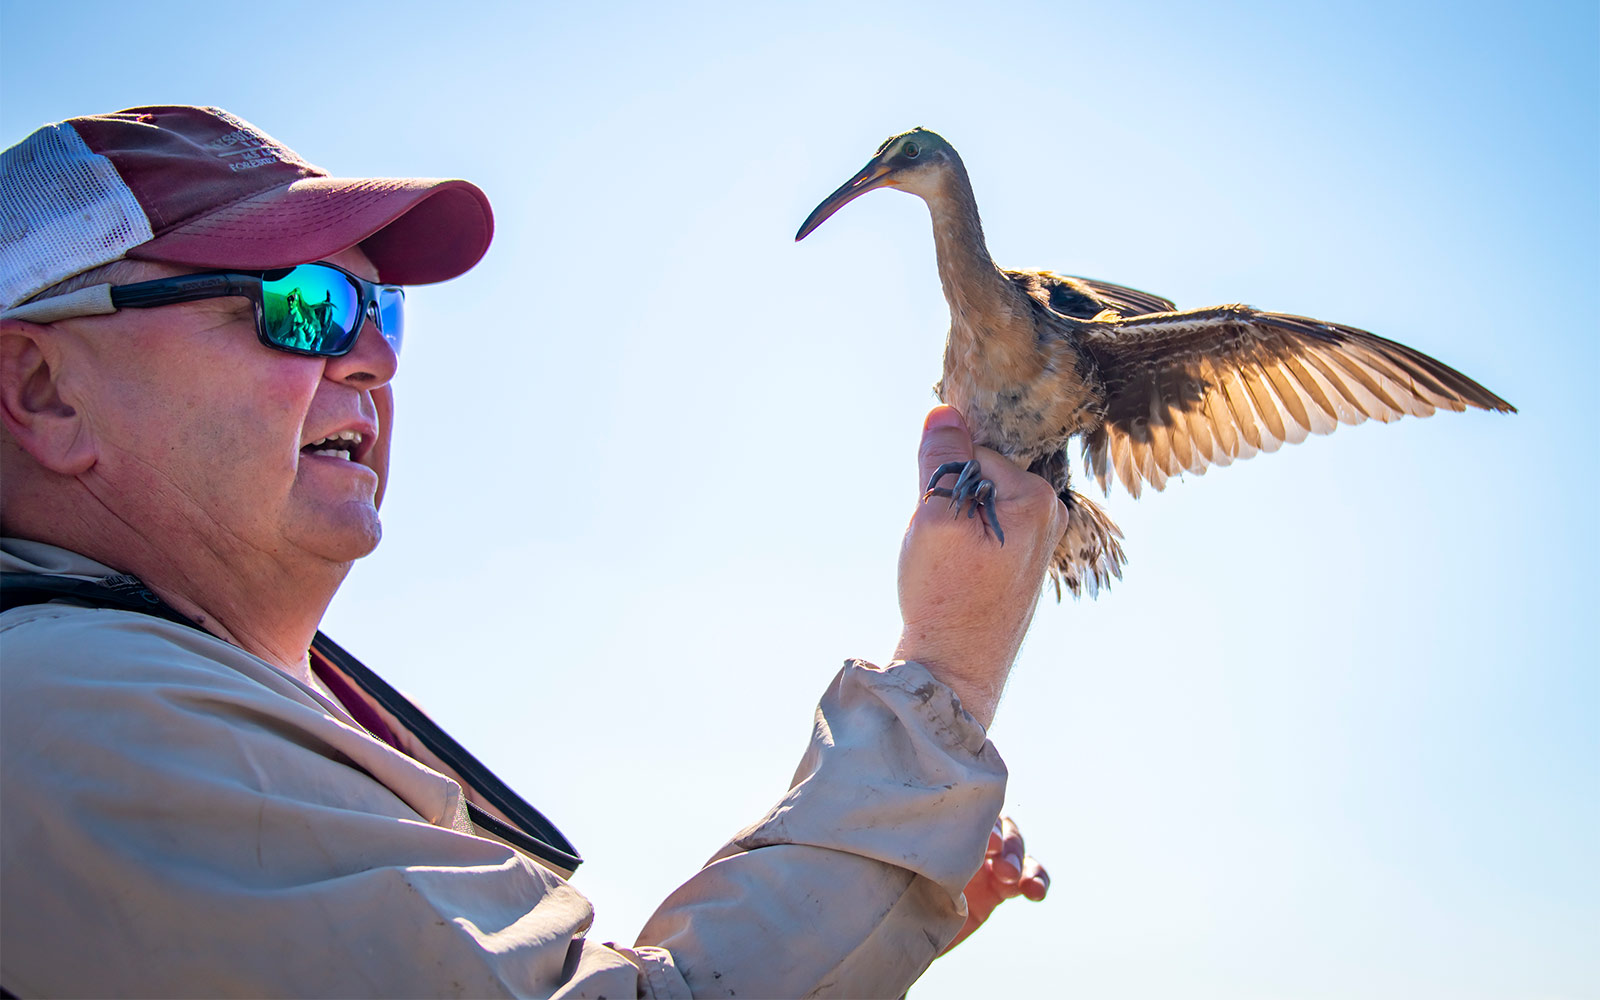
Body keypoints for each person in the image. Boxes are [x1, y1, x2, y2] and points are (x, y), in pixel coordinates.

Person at [0, 106, 1062, 998]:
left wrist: (880, 903)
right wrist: (946, 672)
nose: (373, 359)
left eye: (380, 311)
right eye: (303, 306)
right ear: (46, 392)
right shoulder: (77, 712)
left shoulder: (186, 693)